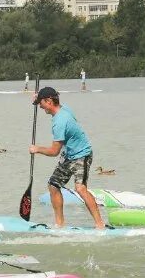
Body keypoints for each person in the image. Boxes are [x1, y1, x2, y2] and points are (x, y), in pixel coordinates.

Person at [29, 86, 106, 229]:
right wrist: (38, 97)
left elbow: (54, 151)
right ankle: (60, 223)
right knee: (53, 186)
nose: (40, 106)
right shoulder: (63, 108)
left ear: (49, 101)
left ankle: (100, 224)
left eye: (42, 103)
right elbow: (54, 99)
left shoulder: (60, 122)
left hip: (82, 154)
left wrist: (37, 149)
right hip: (69, 155)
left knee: (80, 188)